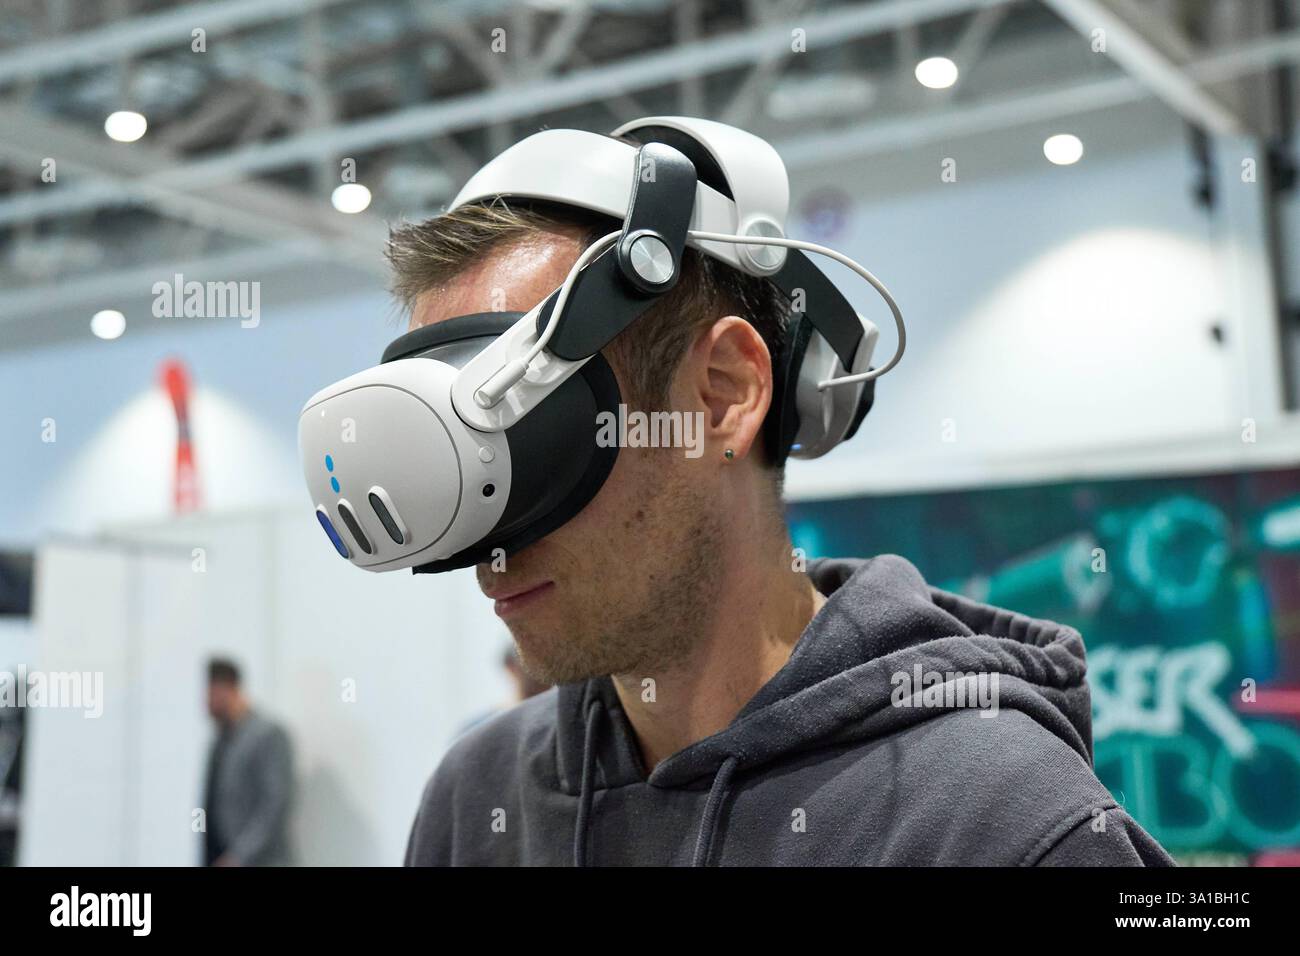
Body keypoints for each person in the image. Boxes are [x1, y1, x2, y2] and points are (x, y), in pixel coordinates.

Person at [398, 129, 1174, 867]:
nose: (486, 545)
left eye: (531, 436)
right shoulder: (480, 796)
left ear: (722, 394)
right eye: (467, 462)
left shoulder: (1004, 825)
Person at [202, 658, 294, 866]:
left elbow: (275, 805)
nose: (206, 702)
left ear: (228, 689)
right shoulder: (220, 741)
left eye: (211, 694)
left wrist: (238, 856)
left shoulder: (268, 735)